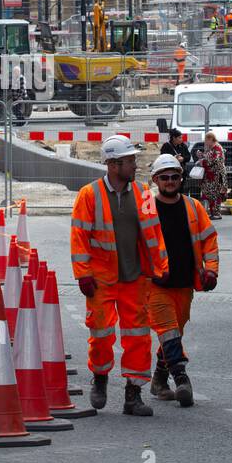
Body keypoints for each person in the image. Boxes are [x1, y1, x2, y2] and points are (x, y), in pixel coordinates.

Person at [69, 135, 165, 417]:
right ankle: (100, 379)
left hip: (135, 278)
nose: (136, 165)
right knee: (101, 334)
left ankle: (133, 395)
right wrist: (83, 274)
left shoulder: (144, 192)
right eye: (130, 160)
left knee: (138, 336)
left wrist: (159, 268)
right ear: (113, 165)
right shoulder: (89, 194)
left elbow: (153, 233)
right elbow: (79, 236)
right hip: (100, 278)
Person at [146, 154, 219, 406]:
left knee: (173, 334)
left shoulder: (193, 207)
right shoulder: (146, 207)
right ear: (155, 179)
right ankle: (181, 379)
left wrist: (211, 270)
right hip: (155, 286)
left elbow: (209, 238)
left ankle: (158, 379)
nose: (170, 181)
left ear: (181, 178)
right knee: (167, 332)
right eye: (164, 177)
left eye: (174, 176)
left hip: (185, 284)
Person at [190, 131, 229, 218]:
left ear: (211, 139)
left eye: (206, 140)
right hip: (210, 175)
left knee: (215, 193)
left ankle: (216, 213)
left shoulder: (217, 148)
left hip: (216, 175)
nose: (205, 142)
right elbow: (208, 157)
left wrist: (202, 161)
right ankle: (211, 212)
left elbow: (214, 160)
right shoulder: (211, 148)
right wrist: (201, 156)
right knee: (208, 193)